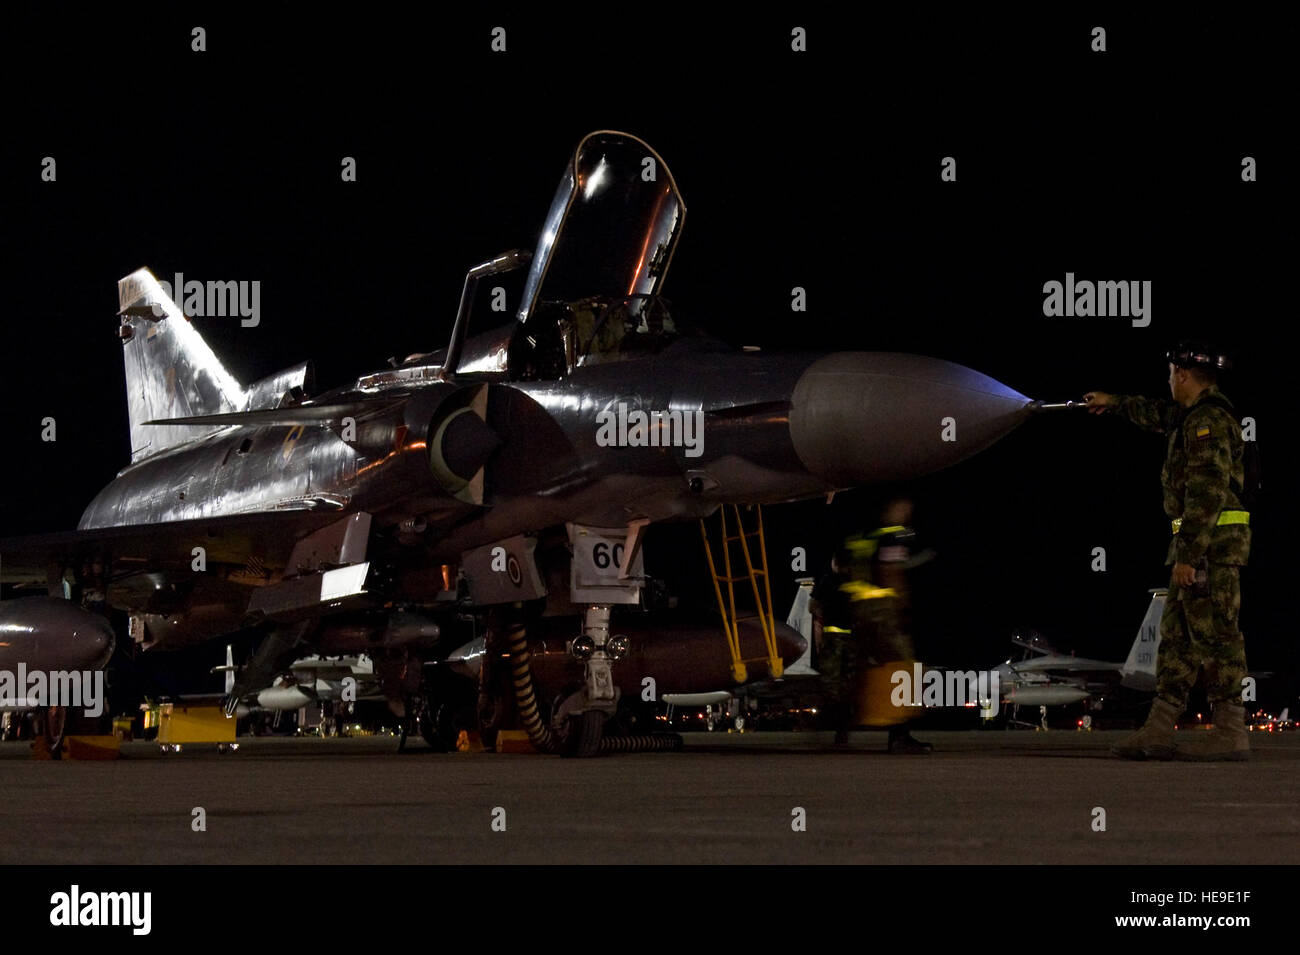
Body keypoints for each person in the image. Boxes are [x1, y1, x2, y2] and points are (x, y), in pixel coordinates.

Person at [1084, 341, 1251, 760]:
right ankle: (1158, 730)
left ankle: (1231, 731)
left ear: (1182, 375)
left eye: (1171, 374)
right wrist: (1113, 402)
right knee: (1176, 642)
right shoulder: (1192, 415)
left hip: (1209, 550)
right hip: (1195, 546)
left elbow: (1207, 493)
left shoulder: (1208, 421)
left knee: (1216, 637)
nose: (1169, 382)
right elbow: (1157, 413)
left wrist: (1189, 557)